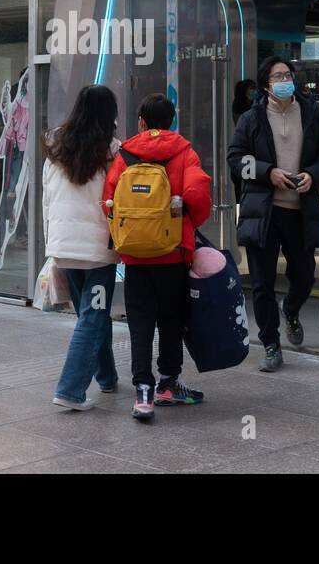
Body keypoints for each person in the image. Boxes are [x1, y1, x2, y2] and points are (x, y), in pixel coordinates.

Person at [103, 92, 212, 421]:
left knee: (140, 323)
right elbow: (198, 196)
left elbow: (109, 198)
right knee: (171, 321)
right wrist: (185, 223)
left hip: (135, 257)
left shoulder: (126, 154)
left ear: (142, 122)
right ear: (172, 121)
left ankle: (143, 392)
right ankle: (168, 383)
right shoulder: (184, 151)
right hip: (172, 255)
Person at [228, 55, 319, 372]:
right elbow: (235, 158)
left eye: (288, 74)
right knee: (261, 283)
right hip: (263, 211)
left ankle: (290, 308)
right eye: (278, 76)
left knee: (304, 275)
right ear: (266, 84)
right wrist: (267, 172)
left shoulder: (312, 114)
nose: (284, 80)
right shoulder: (252, 118)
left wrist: (313, 175)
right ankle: (271, 344)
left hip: (300, 211)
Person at [43, 85, 121, 411]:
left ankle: (107, 376)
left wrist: (51, 241)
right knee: (93, 316)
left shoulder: (58, 148)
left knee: (91, 313)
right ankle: (70, 389)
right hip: (97, 251)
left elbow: (47, 198)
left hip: (64, 247)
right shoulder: (113, 151)